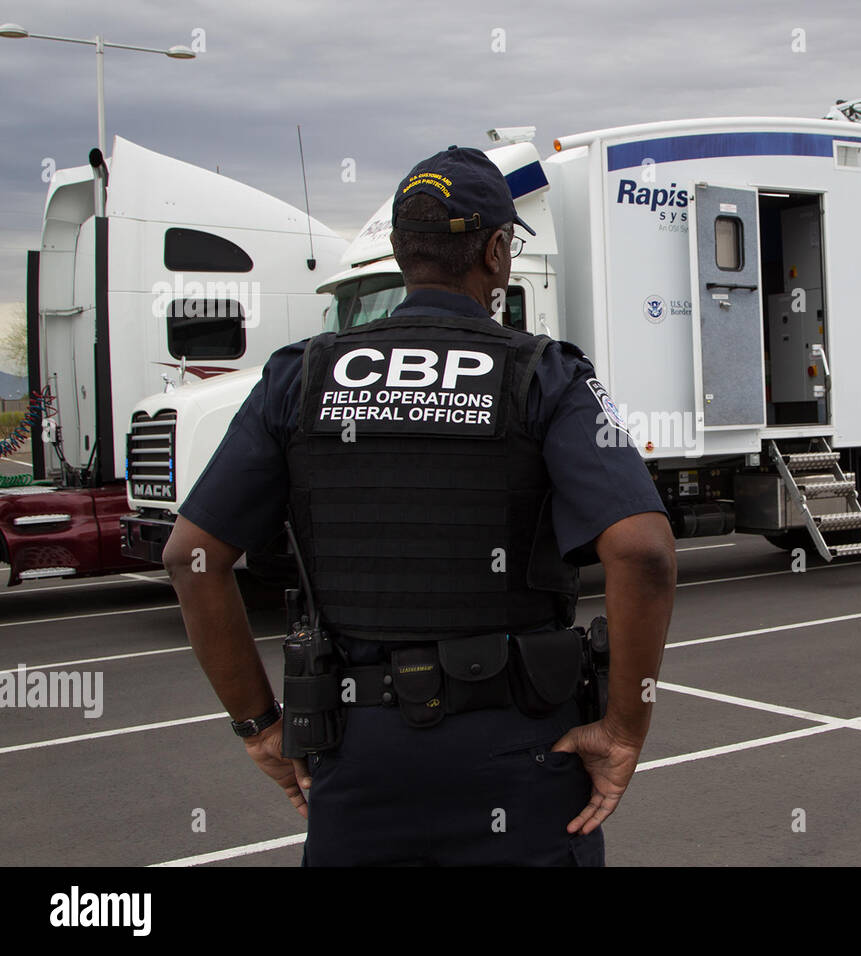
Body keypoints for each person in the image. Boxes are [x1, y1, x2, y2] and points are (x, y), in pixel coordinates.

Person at [162, 145, 677, 866]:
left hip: (358, 753)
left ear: (404, 253)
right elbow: (643, 550)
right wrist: (624, 730)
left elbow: (191, 558)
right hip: (518, 750)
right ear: (496, 252)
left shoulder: (299, 375)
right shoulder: (545, 375)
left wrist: (260, 726)